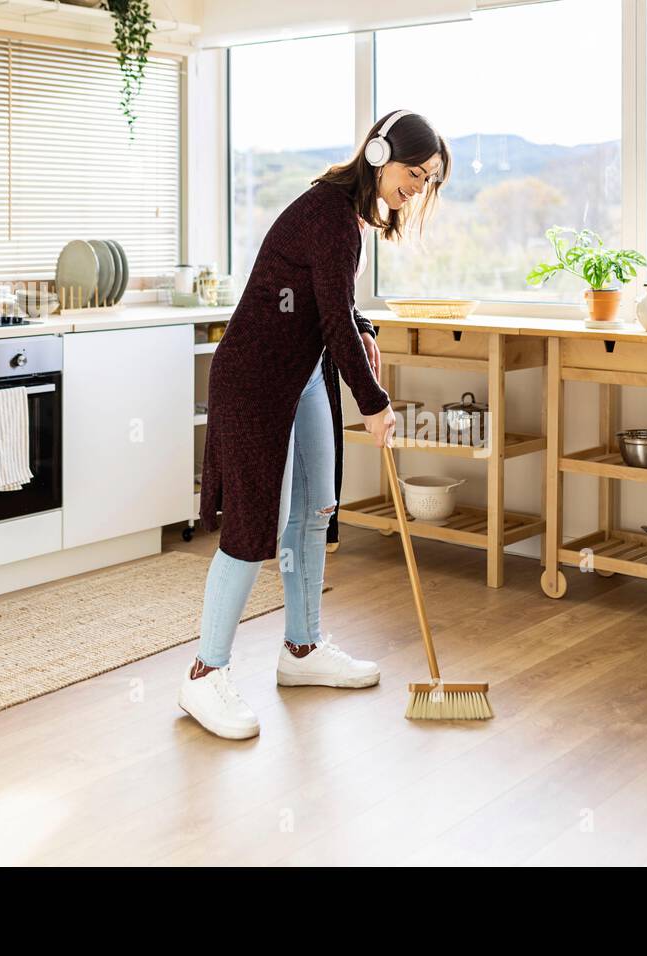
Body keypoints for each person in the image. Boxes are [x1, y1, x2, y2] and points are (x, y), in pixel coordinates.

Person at [183, 111, 450, 739]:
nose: (418, 189)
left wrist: (364, 329)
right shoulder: (329, 214)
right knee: (253, 525)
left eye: (429, 182)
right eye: (415, 175)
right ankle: (202, 674)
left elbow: (336, 307)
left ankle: (302, 651)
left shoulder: (346, 219)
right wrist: (376, 404)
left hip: (303, 373)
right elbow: (331, 317)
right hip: (254, 378)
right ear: (381, 154)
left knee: (316, 509)